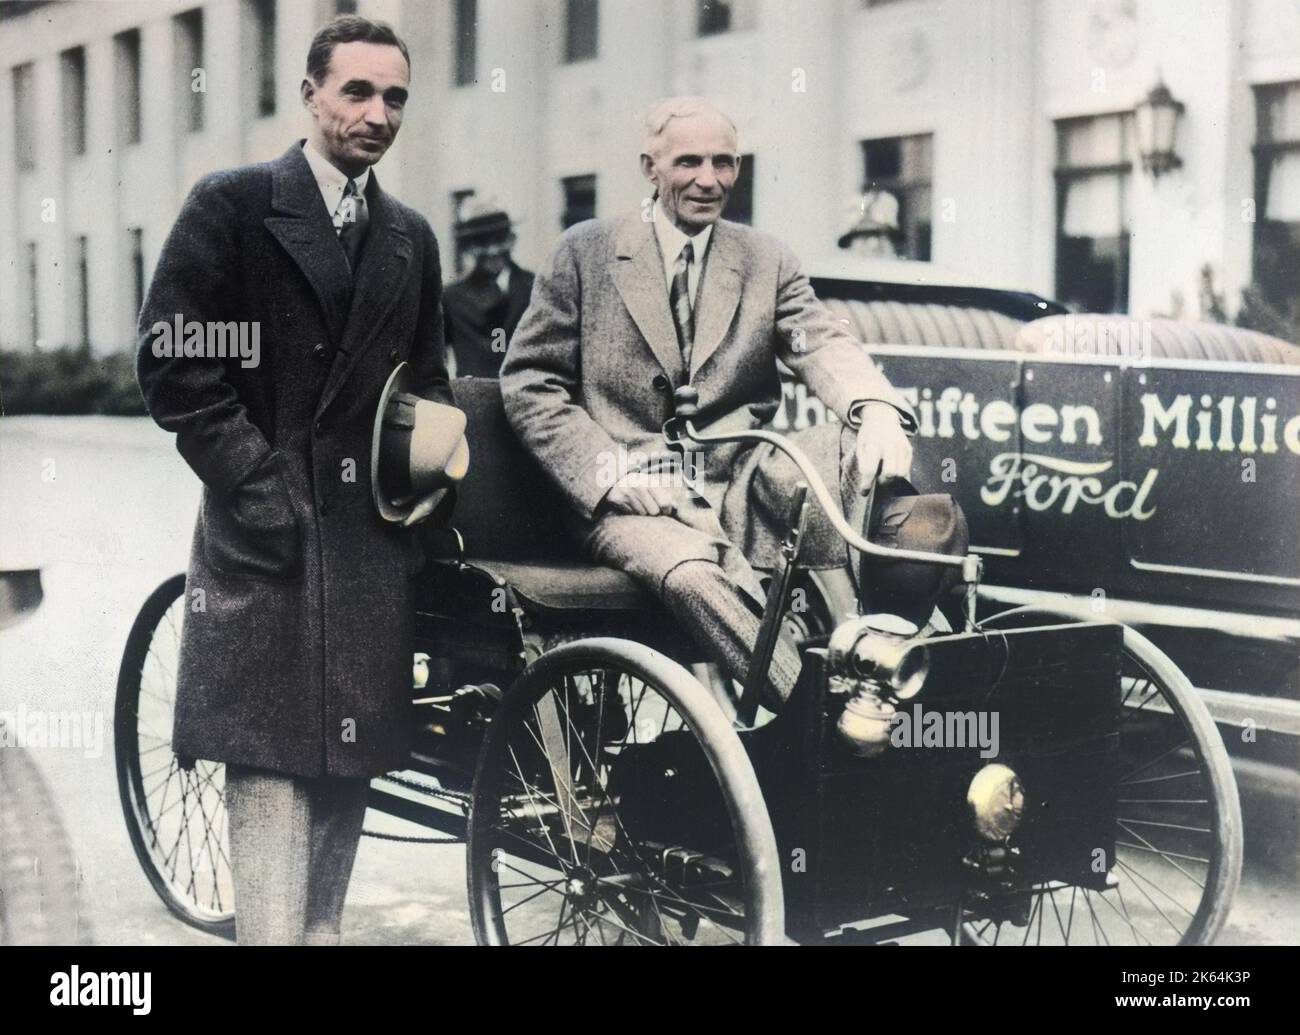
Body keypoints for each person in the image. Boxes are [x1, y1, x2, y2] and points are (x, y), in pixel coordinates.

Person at [135, 15, 451, 945]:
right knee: (270, 758)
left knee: (345, 760)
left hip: (366, 544)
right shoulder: (234, 206)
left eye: (395, 96)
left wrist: (421, 494)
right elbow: (175, 360)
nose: (377, 113)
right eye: (357, 91)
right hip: (266, 533)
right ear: (310, 93)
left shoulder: (408, 236)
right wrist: (257, 482)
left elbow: (425, 386)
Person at [500, 96, 917, 709]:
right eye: (689, 162)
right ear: (650, 168)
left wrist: (874, 407)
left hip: (744, 483)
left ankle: (899, 661)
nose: (709, 180)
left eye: (725, 163)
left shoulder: (764, 259)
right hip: (632, 498)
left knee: (877, 464)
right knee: (694, 575)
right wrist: (608, 471)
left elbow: (822, 342)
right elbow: (531, 382)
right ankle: (812, 711)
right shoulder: (583, 253)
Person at [442, 204, 535, 377]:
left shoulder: (536, 288)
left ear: (512, 239)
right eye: (482, 243)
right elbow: (437, 356)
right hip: (471, 401)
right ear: (468, 248)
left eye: (499, 240)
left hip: (526, 397)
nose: (492, 250)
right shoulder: (451, 297)